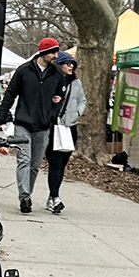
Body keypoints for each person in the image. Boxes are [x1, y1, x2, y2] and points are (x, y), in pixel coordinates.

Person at [0, 36, 65, 213]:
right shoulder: (24, 70)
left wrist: (52, 115)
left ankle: (28, 194)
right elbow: (10, 93)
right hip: (23, 123)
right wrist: (2, 115)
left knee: (35, 164)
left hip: (43, 125)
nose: (56, 55)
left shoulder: (57, 74)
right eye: (53, 52)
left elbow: (59, 98)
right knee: (23, 160)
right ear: (43, 52)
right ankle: (24, 196)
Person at [46, 50, 85, 215]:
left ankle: (52, 196)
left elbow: (82, 100)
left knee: (62, 165)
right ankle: (55, 197)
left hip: (70, 126)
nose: (71, 66)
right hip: (54, 126)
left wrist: (77, 113)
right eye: (67, 63)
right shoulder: (50, 80)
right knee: (54, 163)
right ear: (59, 64)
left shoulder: (76, 83)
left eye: (72, 64)